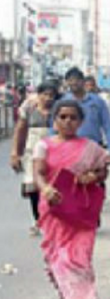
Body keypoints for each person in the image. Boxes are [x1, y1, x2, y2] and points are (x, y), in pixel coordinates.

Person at [33, 99, 110, 299]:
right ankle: (67, 294)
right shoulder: (44, 146)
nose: (67, 122)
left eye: (73, 118)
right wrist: (46, 189)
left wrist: (94, 177)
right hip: (54, 209)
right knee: (57, 257)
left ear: (81, 122)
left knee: (78, 257)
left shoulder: (90, 147)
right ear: (54, 120)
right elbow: (38, 173)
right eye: (63, 117)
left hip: (81, 211)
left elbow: (103, 170)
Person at [10, 80, 60, 235]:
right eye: (45, 94)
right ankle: (38, 219)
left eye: (51, 95)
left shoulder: (59, 111)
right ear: (39, 95)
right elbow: (20, 130)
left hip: (53, 152)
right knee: (32, 186)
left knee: (51, 185)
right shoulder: (29, 109)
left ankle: (51, 218)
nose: (48, 98)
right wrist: (15, 153)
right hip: (32, 152)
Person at [61, 68, 110, 162]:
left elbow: (108, 126)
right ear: (67, 83)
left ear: (82, 81)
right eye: (70, 80)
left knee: (94, 171)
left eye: (76, 80)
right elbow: (55, 126)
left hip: (93, 148)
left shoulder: (97, 101)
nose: (73, 83)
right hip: (69, 149)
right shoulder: (63, 102)